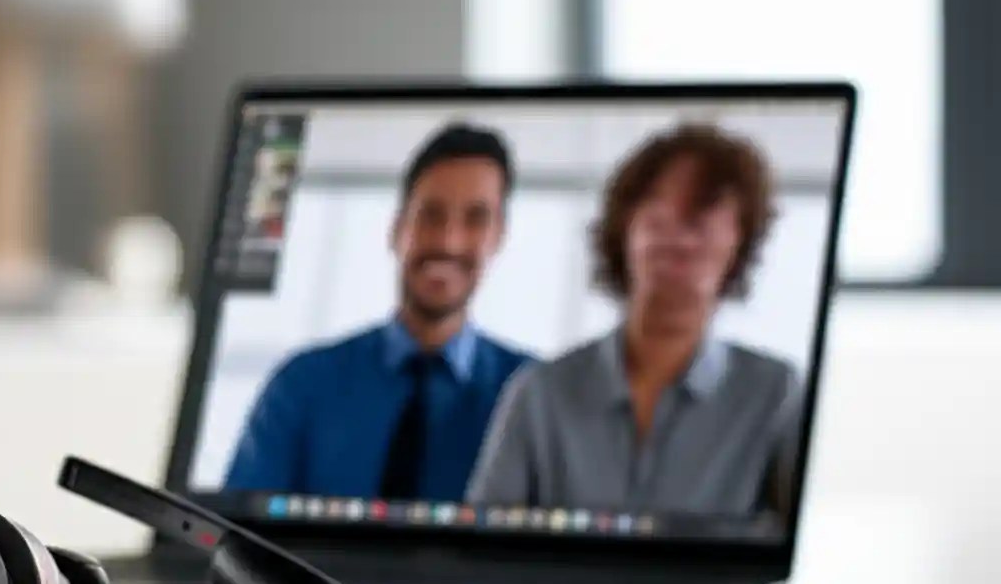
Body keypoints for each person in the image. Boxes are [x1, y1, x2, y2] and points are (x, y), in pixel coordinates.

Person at [467, 124, 801, 518]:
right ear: (624, 229)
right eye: (659, 214)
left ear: (741, 240)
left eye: (700, 217)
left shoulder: (777, 394)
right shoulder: (538, 393)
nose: (677, 238)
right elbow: (480, 544)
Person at [225, 123, 533, 501]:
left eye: (476, 219)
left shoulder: (533, 394)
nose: (449, 241)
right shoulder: (301, 385)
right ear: (397, 227)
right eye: (431, 214)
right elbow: (237, 532)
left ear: (498, 237)